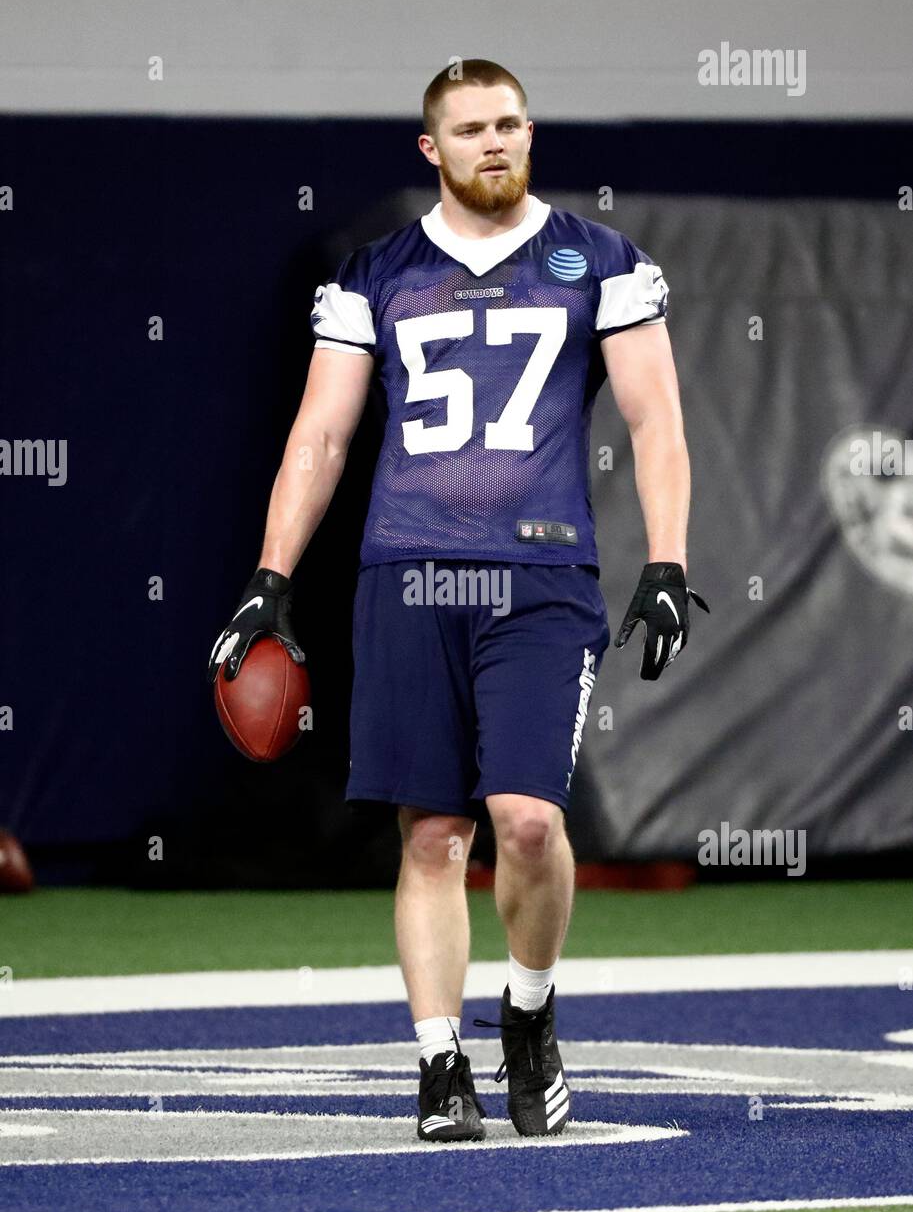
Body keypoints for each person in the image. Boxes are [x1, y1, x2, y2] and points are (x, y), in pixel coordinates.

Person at [208, 59, 708, 1143]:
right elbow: (323, 434)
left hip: (539, 577)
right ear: (429, 148)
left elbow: (656, 422)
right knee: (430, 833)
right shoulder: (374, 273)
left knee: (526, 821)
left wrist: (665, 561)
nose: (496, 142)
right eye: (471, 128)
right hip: (408, 574)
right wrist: (268, 577)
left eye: (511, 123)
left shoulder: (599, 260)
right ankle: (440, 1061)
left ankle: (527, 1011)